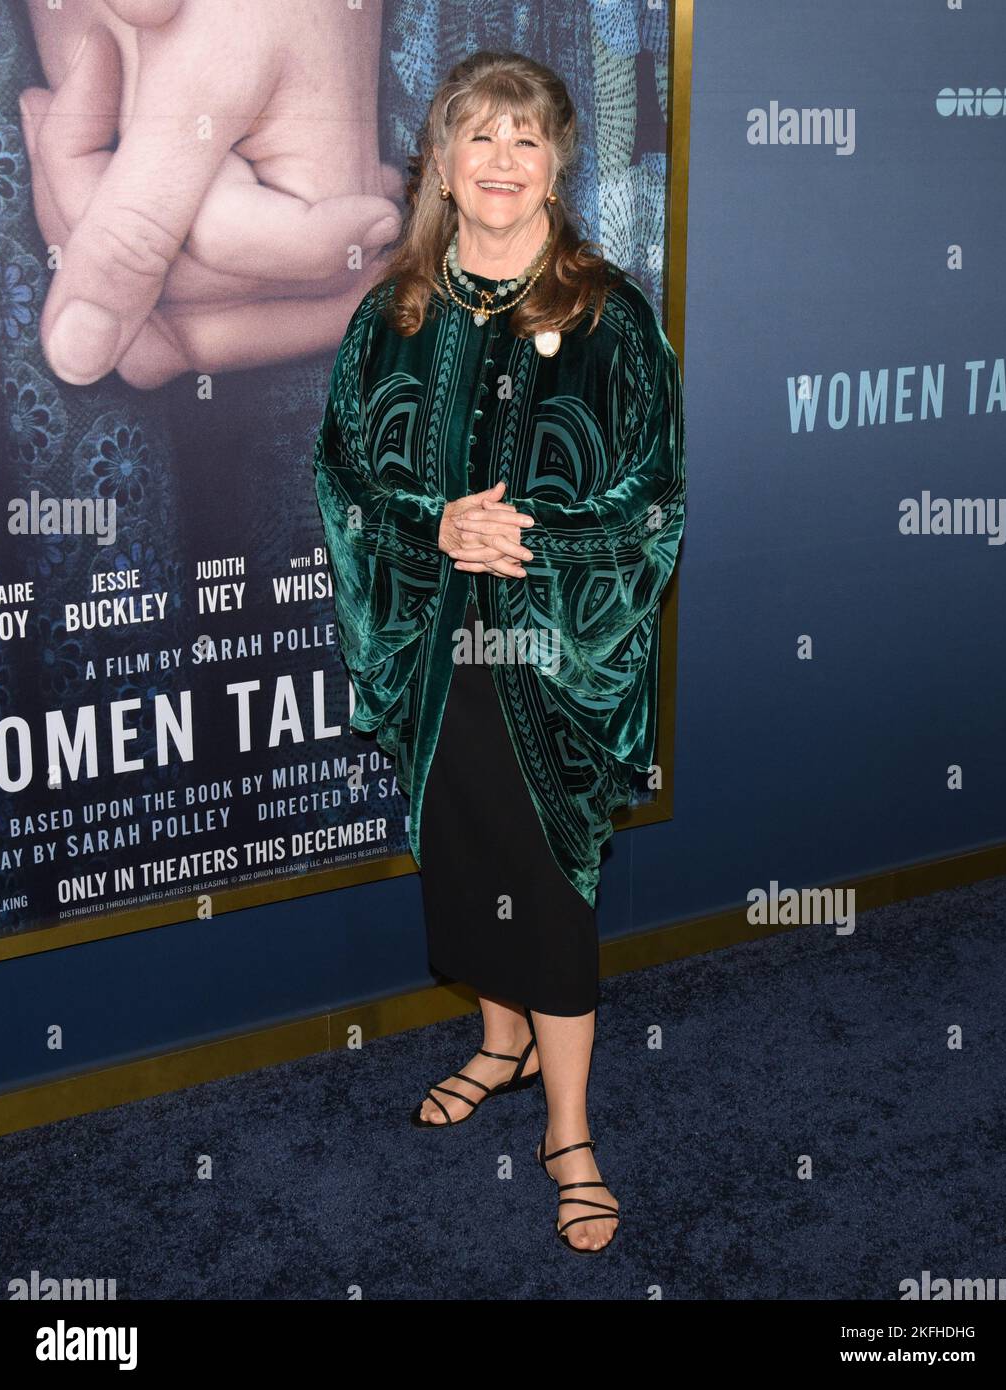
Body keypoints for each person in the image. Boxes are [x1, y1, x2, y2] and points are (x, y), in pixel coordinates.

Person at [312, 50, 686, 1254]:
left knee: (553, 885)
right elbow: (343, 472)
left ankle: (567, 1129)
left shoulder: (607, 312)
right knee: (461, 851)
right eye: (479, 138)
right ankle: (498, 1037)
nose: (503, 163)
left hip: (552, 656)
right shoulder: (393, 314)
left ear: (558, 162)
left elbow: (656, 498)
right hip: (431, 647)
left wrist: (530, 535)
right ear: (441, 161)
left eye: (526, 140)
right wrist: (432, 528)